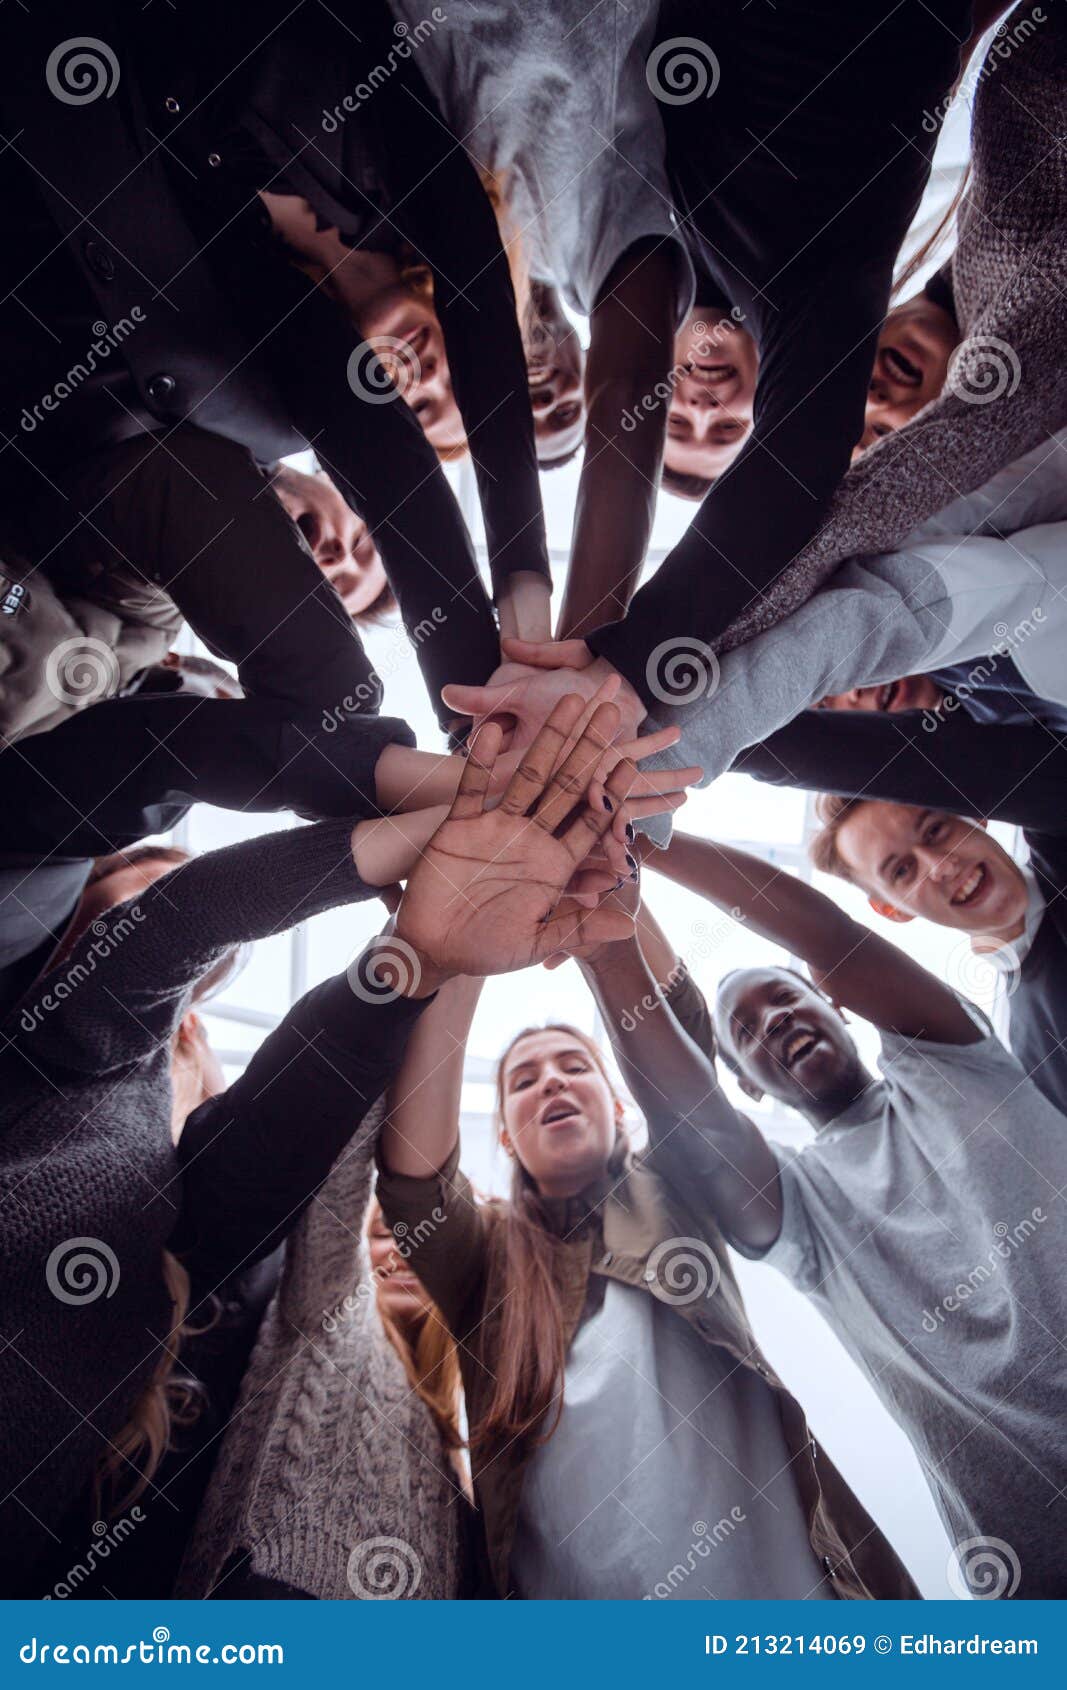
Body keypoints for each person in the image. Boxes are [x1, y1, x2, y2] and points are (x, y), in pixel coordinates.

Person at [0, 689, 650, 1593]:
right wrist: (415, 871)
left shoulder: (161, 1172)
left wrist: (421, 942)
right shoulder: (62, 1051)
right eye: (116, 905)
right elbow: (169, 919)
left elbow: (238, 1197)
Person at [377, 867, 918, 1597]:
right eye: (524, 1080)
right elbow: (413, 1186)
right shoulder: (482, 1260)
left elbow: (680, 1040)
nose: (553, 1083)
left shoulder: (673, 1189)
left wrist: (615, 900)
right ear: (503, 1136)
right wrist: (467, 950)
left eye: (575, 1067)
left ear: (616, 1107)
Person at [644, 828, 1067, 1598]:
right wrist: (608, 928)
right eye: (744, 1032)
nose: (772, 1021)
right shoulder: (798, 1214)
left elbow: (823, 932)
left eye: (785, 998)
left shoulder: (951, 1057)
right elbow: (684, 1107)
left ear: (832, 1002)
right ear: (745, 1086)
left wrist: (645, 839)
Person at [175, 1143, 476, 1600]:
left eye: (422, 1239)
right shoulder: (332, 1307)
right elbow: (341, 1168)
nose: (403, 1248)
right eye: (382, 1233)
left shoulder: (451, 1433)